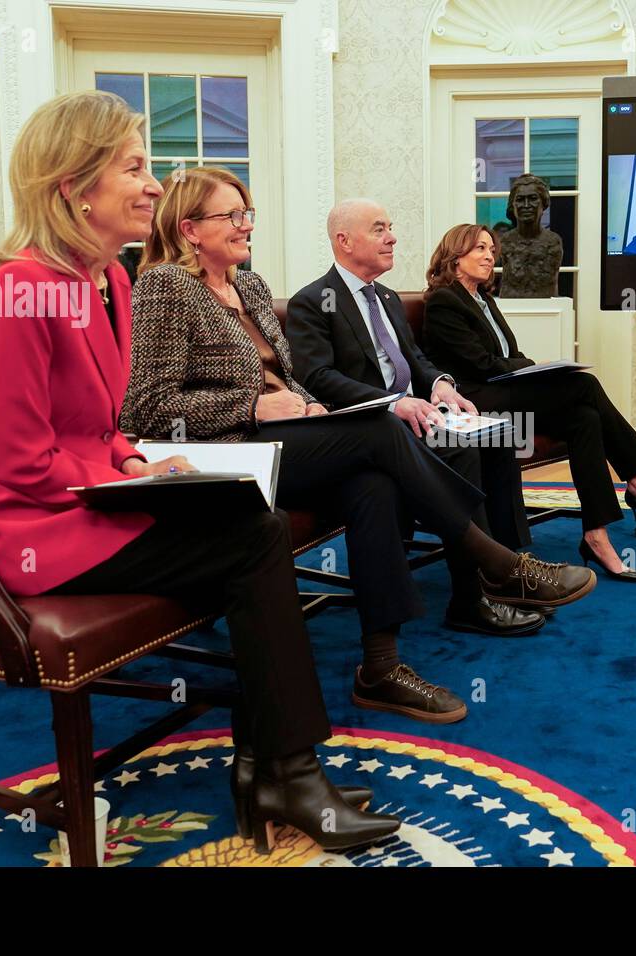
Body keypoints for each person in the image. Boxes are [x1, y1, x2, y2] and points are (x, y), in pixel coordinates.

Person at [0, 90, 398, 854]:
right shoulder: (18, 291)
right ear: (73, 189)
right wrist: (130, 485)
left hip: (78, 495)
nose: (153, 184)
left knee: (252, 519)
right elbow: (18, 461)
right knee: (254, 534)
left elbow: (102, 425)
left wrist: (138, 458)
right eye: (135, 167)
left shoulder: (110, 281)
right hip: (16, 525)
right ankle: (283, 772)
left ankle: (274, 766)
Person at [123, 168, 596, 724]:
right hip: (228, 447)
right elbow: (145, 407)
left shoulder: (248, 286)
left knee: (371, 480)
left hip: (286, 436)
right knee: (382, 427)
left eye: (247, 213)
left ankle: (380, 666)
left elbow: (291, 377)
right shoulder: (163, 286)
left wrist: (310, 406)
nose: (246, 225)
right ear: (190, 229)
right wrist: (249, 407)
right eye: (232, 215)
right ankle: (497, 560)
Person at [422, 224, 636, 581]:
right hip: (476, 404)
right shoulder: (445, 300)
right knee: (583, 384)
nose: (490, 255)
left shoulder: (484, 300)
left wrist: (530, 367)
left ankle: (596, 535)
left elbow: (509, 354)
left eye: (492, 249)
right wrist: (533, 368)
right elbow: (481, 364)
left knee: (584, 418)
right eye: (479, 248)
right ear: (454, 257)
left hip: (502, 392)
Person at [286, 199, 546, 561]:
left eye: (390, 228)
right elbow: (318, 376)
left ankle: (512, 559)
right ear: (344, 241)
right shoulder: (315, 301)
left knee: (499, 434)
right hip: (374, 427)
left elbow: (415, 358)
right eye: (379, 229)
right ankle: (475, 593)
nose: (392, 238)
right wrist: (393, 402)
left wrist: (440, 382)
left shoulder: (388, 298)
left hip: (421, 414)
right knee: (463, 448)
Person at [497, 173, 562, 297]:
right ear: (513, 205)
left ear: (543, 203)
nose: (526, 205)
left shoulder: (553, 241)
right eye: (520, 200)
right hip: (511, 308)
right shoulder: (504, 241)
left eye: (533, 198)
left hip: (547, 309)